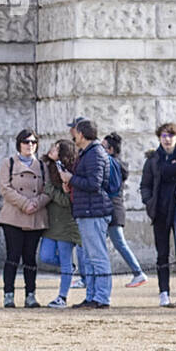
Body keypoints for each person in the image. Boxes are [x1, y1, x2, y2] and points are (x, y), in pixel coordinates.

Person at [62, 118, 113, 309]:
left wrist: (71, 178)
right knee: (90, 258)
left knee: (98, 257)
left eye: (74, 132)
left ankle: (102, 297)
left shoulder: (95, 154)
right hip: (86, 210)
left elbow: (94, 184)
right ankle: (92, 296)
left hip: (94, 211)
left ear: (81, 134)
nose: (72, 136)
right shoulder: (88, 153)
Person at [0, 128, 50, 308]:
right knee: (13, 256)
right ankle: (8, 294)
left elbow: (48, 190)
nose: (30, 145)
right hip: (13, 216)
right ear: (19, 144)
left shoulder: (42, 165)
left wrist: (35, 203)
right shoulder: (9, 163)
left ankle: (30, 294)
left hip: (35, 216)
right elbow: (5, 188)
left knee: (30, 258)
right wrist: (24, 203)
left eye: (33, 142)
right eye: (26, 142)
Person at [140, 121, 176, 307]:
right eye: (164, 136)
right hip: (161, 211)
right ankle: (164, 292)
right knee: (162, 253)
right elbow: (145, 185)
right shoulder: (153, 159)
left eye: (170, 135)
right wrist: (149, 202)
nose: (167, 139)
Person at [101, 132, 147, 288]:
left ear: (111, 150)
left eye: (103, 147)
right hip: (113, 208)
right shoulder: (117, 164)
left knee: (119, 243)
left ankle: (138, 272)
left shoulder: (113, 165)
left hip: (112, 209)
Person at [42, 139, 80, 308]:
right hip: (51, 221)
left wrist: (49, 189)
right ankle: (70, 268)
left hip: (66, 222)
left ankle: (62, 297)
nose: (52, 150)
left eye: (56, 148)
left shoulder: (69, 170)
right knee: (45, 256)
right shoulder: (47, 166)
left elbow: (66, 199)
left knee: (65, 258)